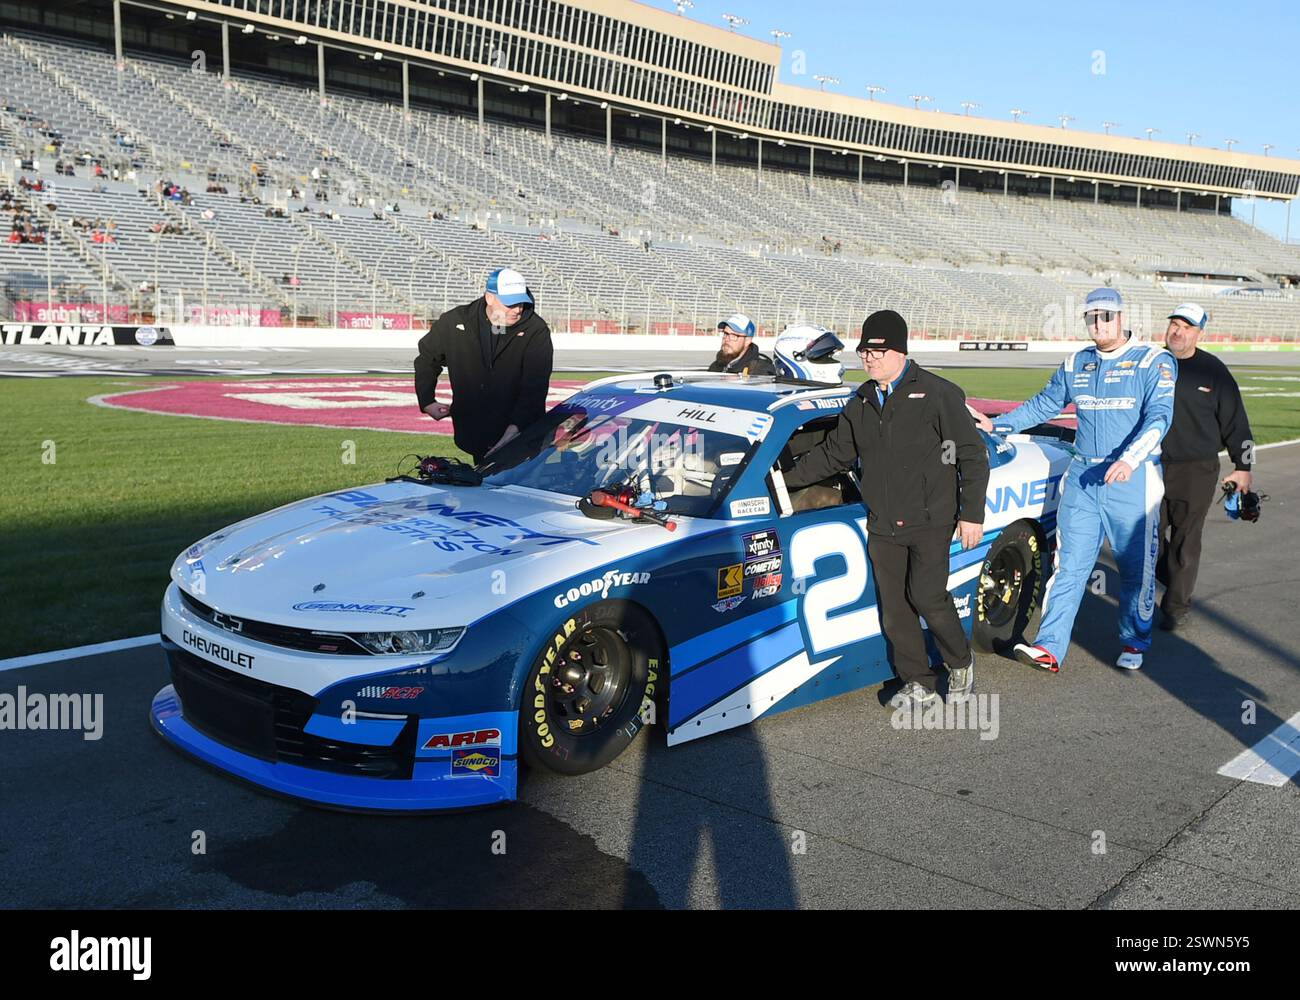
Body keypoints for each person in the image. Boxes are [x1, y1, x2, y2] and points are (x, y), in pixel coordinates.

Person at [785, 310, 989, 708]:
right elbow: (835, 454)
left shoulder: (937, 393)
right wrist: (781, 478)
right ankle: (919, 681)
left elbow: (972, 456)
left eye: (878, 351)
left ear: (900, 351)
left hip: (931, 519)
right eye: (864, 351)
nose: (869, 358)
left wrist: (972, 514)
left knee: (927, 597)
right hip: (882, 523)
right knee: (895, 610)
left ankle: (960, 662)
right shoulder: (861, 400)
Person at [976, 288, 1177, 672]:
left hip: (1133, 480)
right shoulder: (1076, 363)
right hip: (1083, 476)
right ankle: (1049, 647)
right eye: (1091, 317)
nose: (1098, 325)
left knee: (1136, 568)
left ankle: (1134, 641)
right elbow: (1045, 403)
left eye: (1105, 316)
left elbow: (1159, 418)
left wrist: (1131, 459)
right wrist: (999, 425)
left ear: (1121, 317)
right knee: (1068, 564)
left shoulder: (1155, 361)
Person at [1157, 303, 1254, 629]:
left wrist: (1244, 466)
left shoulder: (1213, 371)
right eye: (1174, 324)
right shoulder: (1150, 363)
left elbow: (1237, 423)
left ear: (1199, 333)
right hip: (1151, 467)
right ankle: (1172, 582)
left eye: (1186, 327)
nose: (1178, 331)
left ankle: (1175, 608)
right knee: (1145, 541)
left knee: (1185, 542)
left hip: (1195, 470)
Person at [414, 267, 553, 465]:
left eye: (521, 302)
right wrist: (426, 399)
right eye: (510, 303)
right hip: (474, 430)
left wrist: (517, 427)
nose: (518, 309)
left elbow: (535, 385)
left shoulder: (535, 329)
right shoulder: (455, 321)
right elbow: (427, 358)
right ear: (489, 297)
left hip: (520, 433)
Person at [708, 313, 775, 375]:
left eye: (734, 335)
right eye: (726, 334)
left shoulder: (760, 371)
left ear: (747, 340)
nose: (727, 339)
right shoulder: (715, 367)